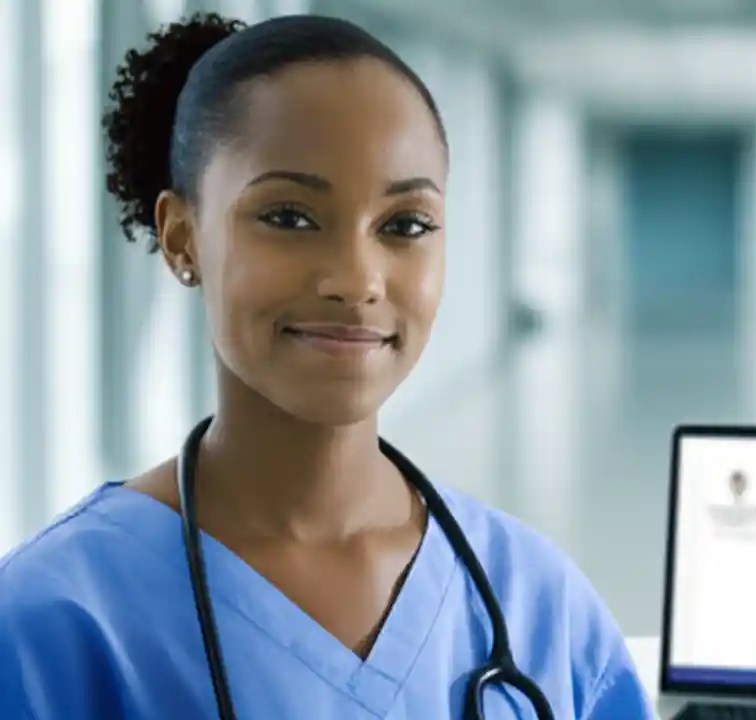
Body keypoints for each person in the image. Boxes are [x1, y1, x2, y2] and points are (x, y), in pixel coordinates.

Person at [0, 12, 651, 719]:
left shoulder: (539, 606)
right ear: (182, 237)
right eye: (289, 217)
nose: (357, 278)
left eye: (404, 226)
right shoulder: (53, 621)